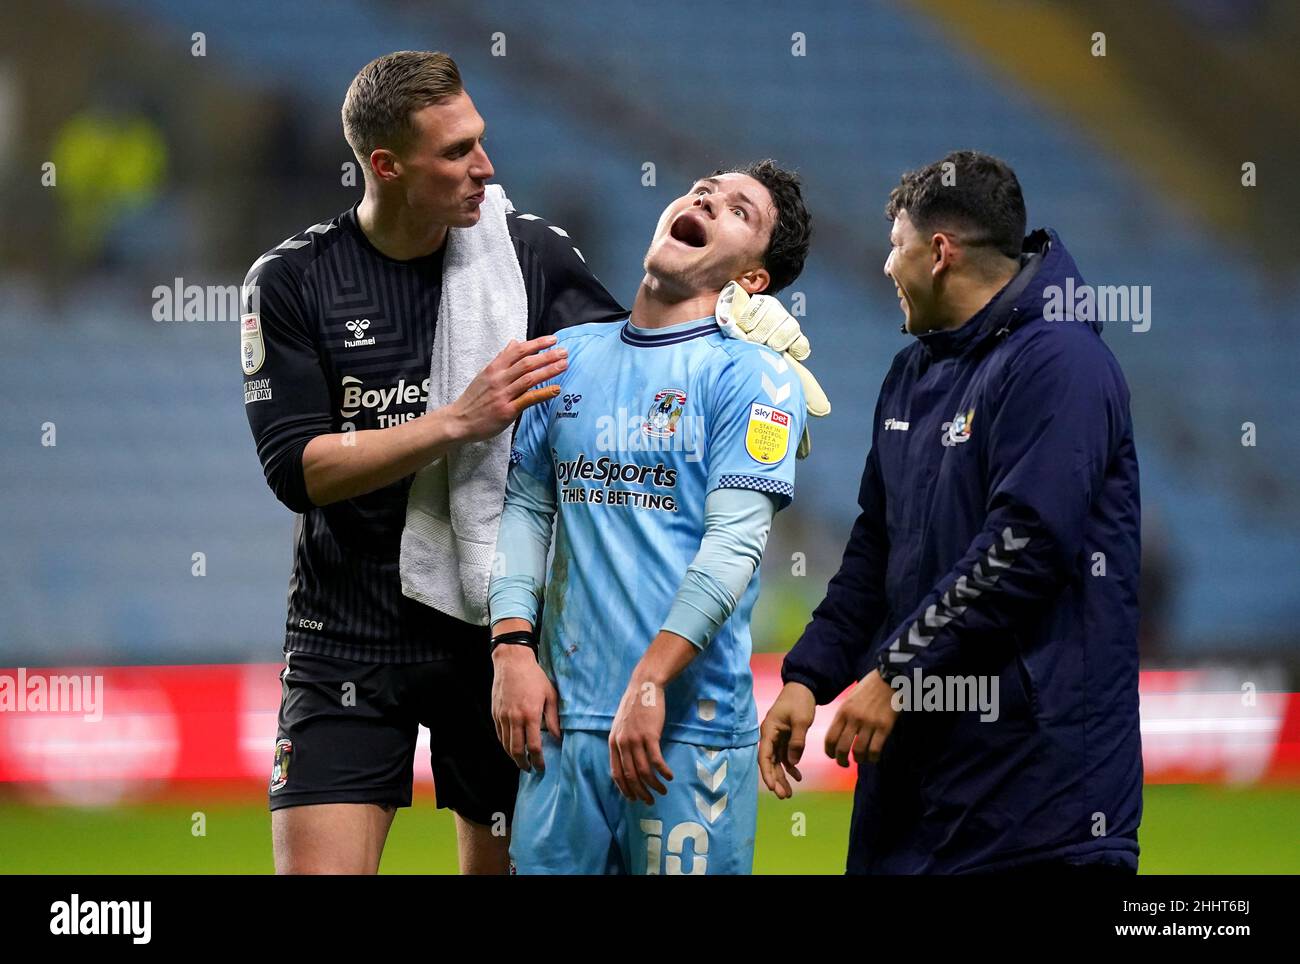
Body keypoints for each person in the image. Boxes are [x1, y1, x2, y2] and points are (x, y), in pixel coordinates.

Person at [242, 51, 819, 875]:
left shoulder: (529, 258)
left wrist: (759, 361)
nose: (486, 166)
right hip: (348, 633)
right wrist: (456, 423)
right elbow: (295, 469)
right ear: (387, 165)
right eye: (455, 153)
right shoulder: (295, 280)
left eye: (480, 139)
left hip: (485, 632)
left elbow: (642, 362)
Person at [760, 150, 1143, 874]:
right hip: (915, 800)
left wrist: (896, 674)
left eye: (895, 246)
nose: (884, 267)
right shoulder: (913, 374)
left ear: (939, 253)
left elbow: (1022, 547)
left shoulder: (1061, 362)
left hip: (1037, 807)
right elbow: (874, 551)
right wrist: (808, 677)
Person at [488, 161, 818, 874]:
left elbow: (732, 550)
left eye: (739, 211)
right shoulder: (566, 358)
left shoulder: (753, 377)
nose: (707, 198)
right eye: (706, 188)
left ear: (753, 280)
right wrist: (511, 647)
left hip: (687, 733)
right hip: (563, 727)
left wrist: (650, 682)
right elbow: (525, 508)